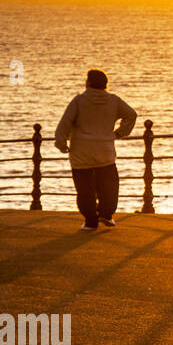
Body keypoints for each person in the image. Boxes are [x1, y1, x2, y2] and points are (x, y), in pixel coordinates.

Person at [55, 69, 137, 231]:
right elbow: (131, 115)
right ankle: (106, 214)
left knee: (84, 189)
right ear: (105, 84)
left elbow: (65, 122)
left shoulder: (79, 101)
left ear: (88, 83)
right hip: (104, 150)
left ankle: (90, 221)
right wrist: (120, 133)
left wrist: (61, 142)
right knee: (110, 185)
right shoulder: (113, 101)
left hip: (81, 152)